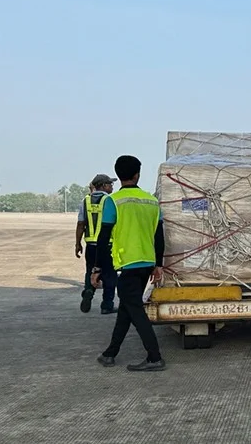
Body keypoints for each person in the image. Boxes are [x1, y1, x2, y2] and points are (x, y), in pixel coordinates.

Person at [90, 155, 166, 372]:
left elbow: (103, 238)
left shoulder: (113, 201)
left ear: (119, 175)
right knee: (126, 308)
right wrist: (158, 264)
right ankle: (110, 353)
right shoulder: (151, 200)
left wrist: (97, 268)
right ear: (137, 174)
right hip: (147, 263)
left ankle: (154, 357)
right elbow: (159, 235)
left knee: (135, 310)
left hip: (128, 263)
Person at [76, 174, 117, 314]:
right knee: (109, 274)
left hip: (91, 245)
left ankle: (88, 291)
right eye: (110, 184)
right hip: (107, 245)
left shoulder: (85, 201)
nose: (112, 186)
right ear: (104, 185)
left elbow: (81, 223)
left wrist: (77, 243)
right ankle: (107, 305)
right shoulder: (109, 200)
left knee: (91, 271)